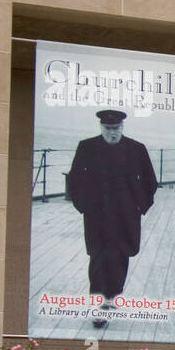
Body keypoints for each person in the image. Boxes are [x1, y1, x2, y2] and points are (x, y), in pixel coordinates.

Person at [65, 109, 159, 330]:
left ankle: (112, 297)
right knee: (97, 260)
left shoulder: (137, 149)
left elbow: (150, 181)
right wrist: (84, 207)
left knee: (119, 260)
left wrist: (140, 208)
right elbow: (75, 180)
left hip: (125, 217)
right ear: (101, 127)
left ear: (122, 127)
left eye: (116, 129)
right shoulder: (87, 147)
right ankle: (98, 307)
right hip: (96, 217)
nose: (112, 133)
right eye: (108, 129)